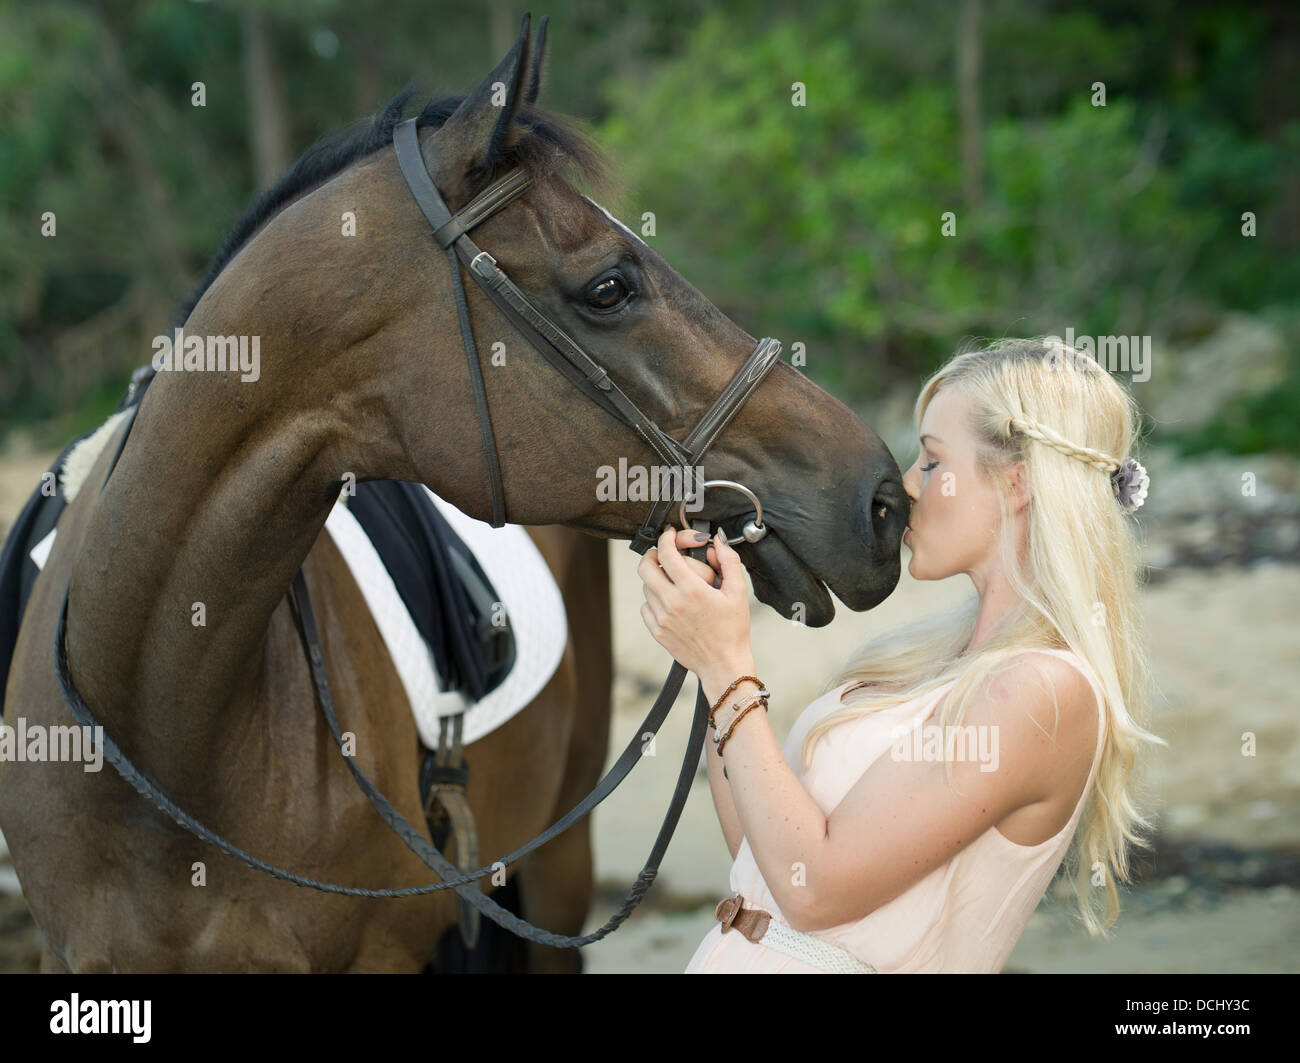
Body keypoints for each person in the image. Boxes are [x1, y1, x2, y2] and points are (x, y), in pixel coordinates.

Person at [636, 337, 1166, 973]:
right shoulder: (928, 660)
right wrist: (707, 658)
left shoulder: (1042, 691)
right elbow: (765, 857)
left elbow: (814, 891)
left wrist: (728, 667)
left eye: (933, 461)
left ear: (1017, 483)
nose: (910, 484)